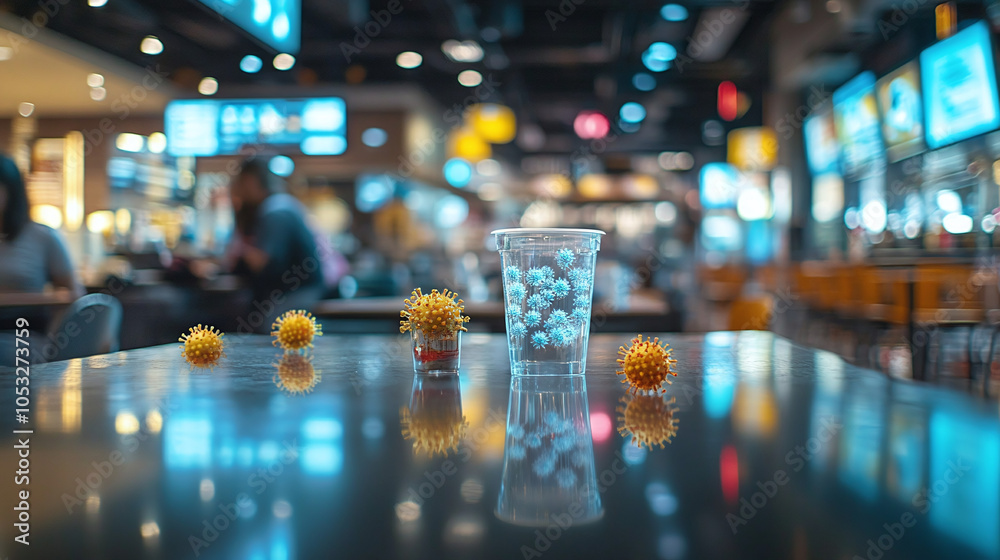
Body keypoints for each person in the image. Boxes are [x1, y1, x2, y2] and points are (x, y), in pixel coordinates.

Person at [227, 157, 324, 331]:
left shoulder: (276, 211)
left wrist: (236, 214)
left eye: (238, 183)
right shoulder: (280, 204)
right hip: (299, 290)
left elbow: (262, 262)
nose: (236, 189)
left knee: (271, 327)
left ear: (250, 181)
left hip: (300, 293)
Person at [0, 153, 82, 332]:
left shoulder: (42, 236)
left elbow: (74, 295)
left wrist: (55, 335)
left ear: (11, 191)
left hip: (21, 332)